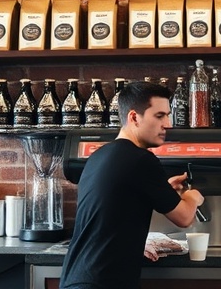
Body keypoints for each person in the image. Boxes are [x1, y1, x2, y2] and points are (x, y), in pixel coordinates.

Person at [59, 81, 205, 289]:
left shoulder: (99, 156)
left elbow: (114, 211)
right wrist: (192, 197)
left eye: (167, 115)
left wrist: (163, 190)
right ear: (134, 117)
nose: (167, 124)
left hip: (76, 276)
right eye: (159, 116)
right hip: (102, 282)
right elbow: (184, 218)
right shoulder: (141, 159)